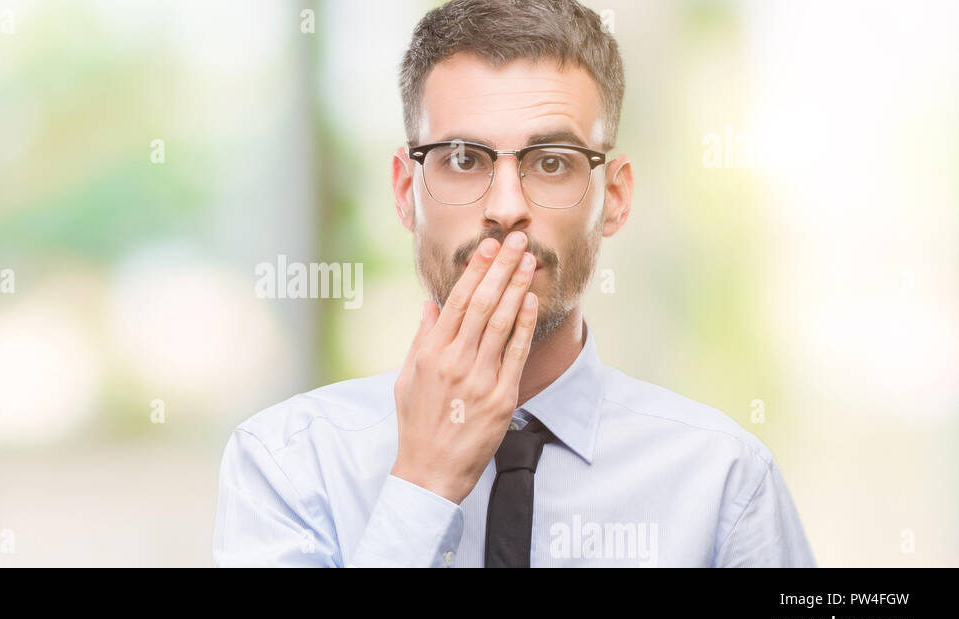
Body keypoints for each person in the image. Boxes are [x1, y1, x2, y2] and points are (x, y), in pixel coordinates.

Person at [213, 0, 816, 567]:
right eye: (463, 158)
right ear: (405, 192)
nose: (505, 208)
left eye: (551, 161)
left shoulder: (726, 483)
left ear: (616, 197)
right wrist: (423, 484)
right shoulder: (286, 464)